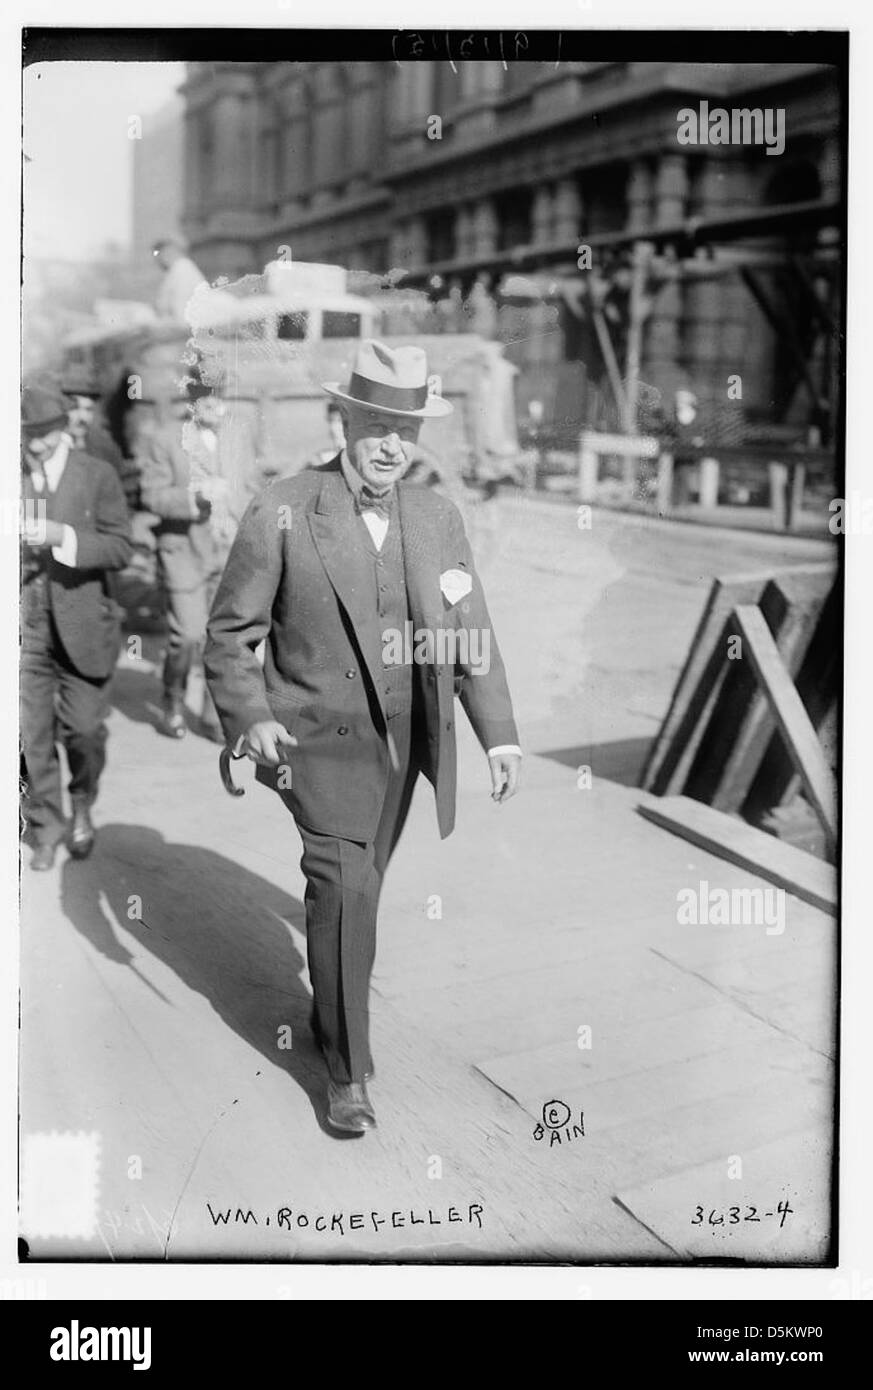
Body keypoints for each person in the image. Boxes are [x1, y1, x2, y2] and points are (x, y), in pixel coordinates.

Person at [204, 340, 522, 1134]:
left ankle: (330, 1011)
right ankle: (347, 1074)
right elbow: (230, 634)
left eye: (405, 430)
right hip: (315, 742)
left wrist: (499, 736)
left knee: (362, 892)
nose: (390, 445)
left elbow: (467, 629)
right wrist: (251, 717)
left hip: (406, 746)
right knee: (345, 890)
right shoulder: (283, 507)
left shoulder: (436, 516)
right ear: (340, 418)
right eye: (376, 425)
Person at [20, 383, 132, 870]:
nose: (34, 445)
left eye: (43, 435)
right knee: (29, 736)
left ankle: (82, 799)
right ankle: (46, 826)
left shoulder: (97, 474)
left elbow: (121, 547)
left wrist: (62, 536)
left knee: (84, 732)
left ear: (63, 429)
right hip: (26, 630)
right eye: (26, 435)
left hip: (84, 626)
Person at [137, 385, 262, 741]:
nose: (215, 406)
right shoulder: (166, 438)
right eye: (207, 397)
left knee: (221, 637)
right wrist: (196, 496)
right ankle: (173, 699)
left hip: (229, 550)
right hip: (184, 551)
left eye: (221, 397)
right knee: (189, 634)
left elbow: (250, 485)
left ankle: (213, 715)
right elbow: (151, 495)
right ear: (191, 398)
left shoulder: (238, 436)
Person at [152, 236, 207, 322]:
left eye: (158, 255)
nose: (157, 261)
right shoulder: (176, 270)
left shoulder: (182, 268)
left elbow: (181, 304)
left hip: (184, 324)